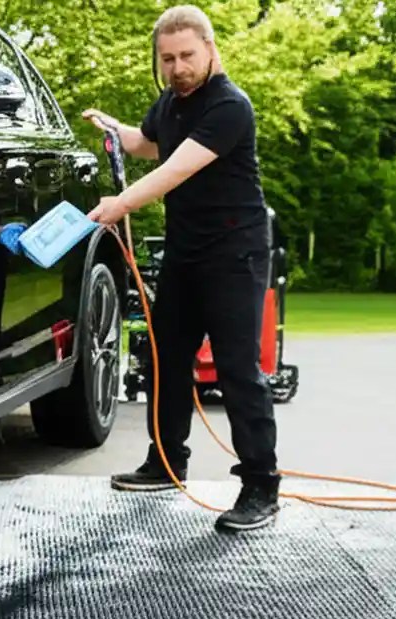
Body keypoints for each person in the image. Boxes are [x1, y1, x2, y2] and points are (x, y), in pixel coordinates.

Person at [82, 5, 280, 533]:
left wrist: (120, 203)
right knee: (166, 358)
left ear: (211, 49)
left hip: (235, 253)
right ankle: (166, 464)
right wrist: (114, 128)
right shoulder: (171, 103)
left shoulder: (229, 106)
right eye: (167, 58)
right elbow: (151, 144)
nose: (177, 67)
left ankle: (261, 486)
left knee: (239, 372)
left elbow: (174, 168)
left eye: (187, 55)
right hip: (186, 251)